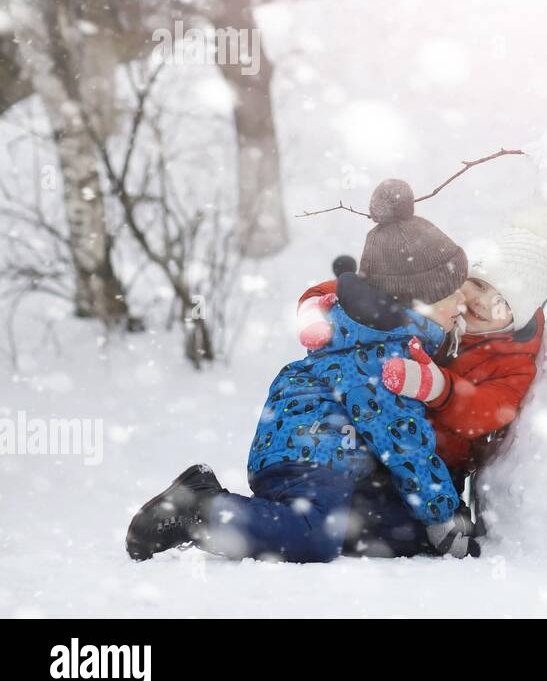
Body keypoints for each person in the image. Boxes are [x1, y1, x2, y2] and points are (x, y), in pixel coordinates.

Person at [126, 179, 479, 563]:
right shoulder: (385, 354)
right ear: (419, 301)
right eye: (452, 292)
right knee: (314, 537)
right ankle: (198, 510)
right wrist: (442, 513)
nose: (463, 301)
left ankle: (405, 530)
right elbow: (402, 441)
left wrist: (425, 526)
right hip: (311, 455)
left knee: (392, 527)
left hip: (333, 459)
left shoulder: (381, 334)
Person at [306, 222, 547, 558]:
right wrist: (315, 310)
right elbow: (358, 291)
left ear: (518, 316)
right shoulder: (436, 296)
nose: (483, 303)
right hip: (378, 441)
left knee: (400, 531)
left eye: (502, 303)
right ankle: (317, 515)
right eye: (479, 284)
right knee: (344, 499)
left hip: (439, 466)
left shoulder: (512, 358)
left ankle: (362, 525)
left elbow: (490, 409)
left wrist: (438, 387)